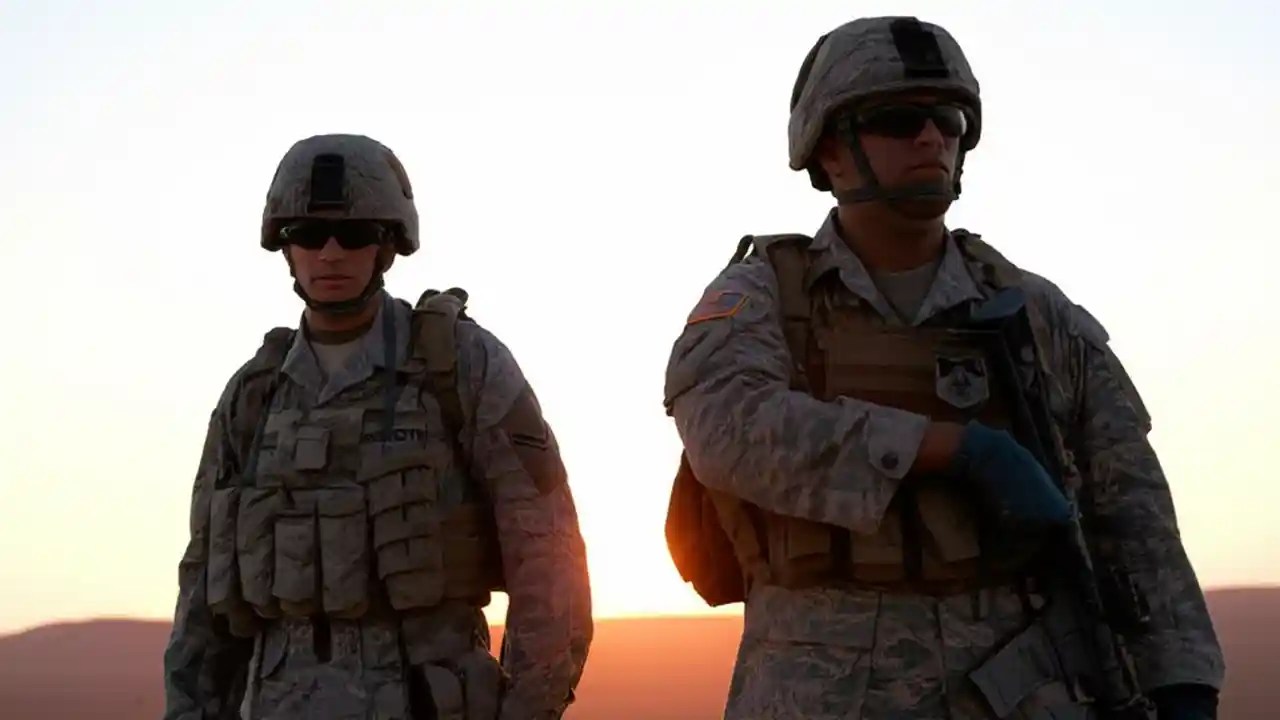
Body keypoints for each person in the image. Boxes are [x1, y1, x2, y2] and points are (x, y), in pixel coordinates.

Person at [662, 16, 1224, 720]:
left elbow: (1133, 513)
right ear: (831, 152)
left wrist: (1183, 682)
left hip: (1020, 689)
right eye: (899, 121)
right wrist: (953, 449)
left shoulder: (1033, 313)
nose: (932, 139)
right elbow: (730, 427)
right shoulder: (765, 298)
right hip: (820, 693)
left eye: (949, 121)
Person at [161, 133, 593, 720]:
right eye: (308, 235)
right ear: (285, 249)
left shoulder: (457, 365)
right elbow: (203, 588)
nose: (331, 253)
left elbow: (547, 547)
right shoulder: (253, 396)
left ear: (388, 245)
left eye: (356, 234)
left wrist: (527, 705)